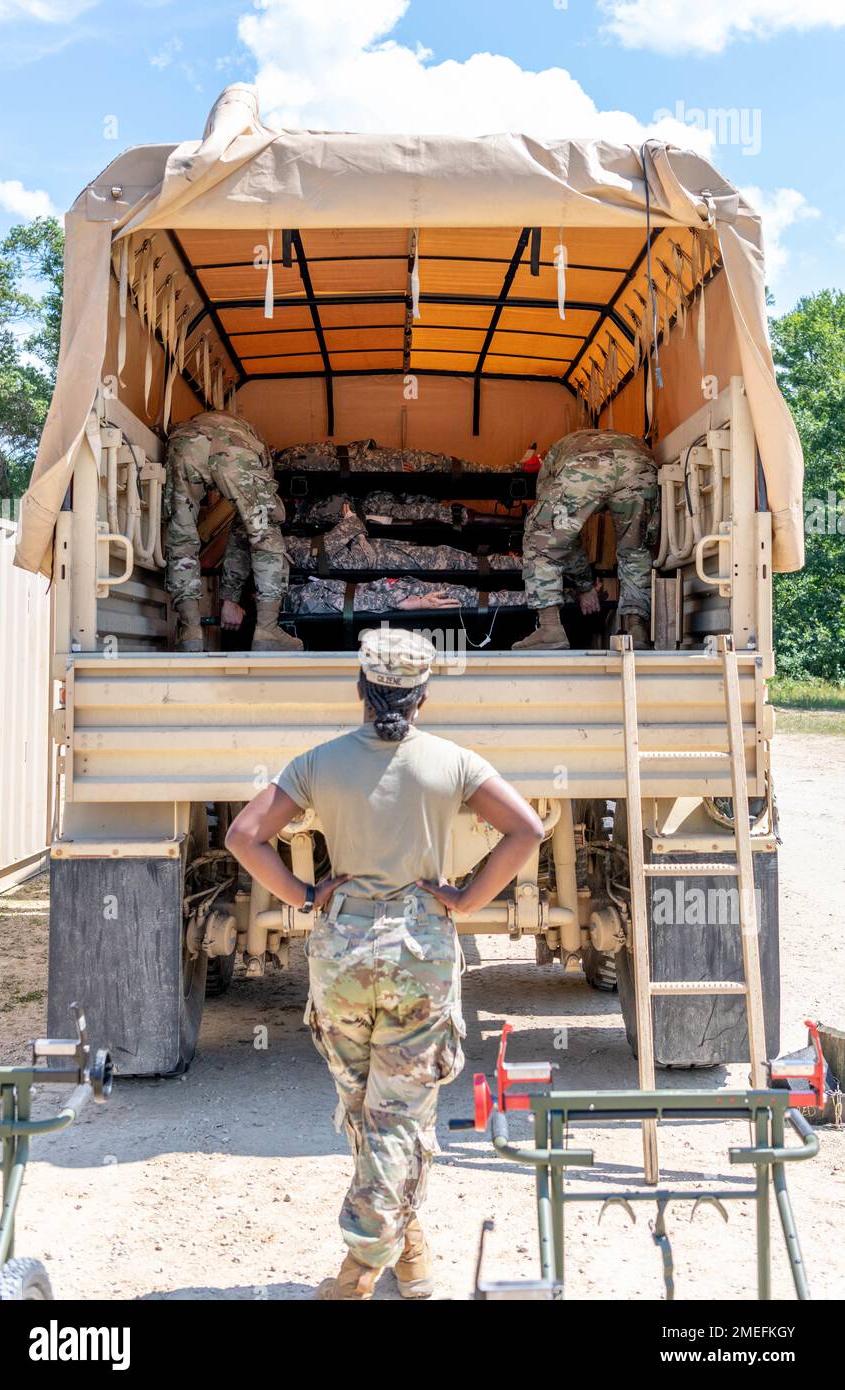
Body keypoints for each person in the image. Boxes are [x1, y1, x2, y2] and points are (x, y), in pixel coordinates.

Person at [225, 627, 544, 1301]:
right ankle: (382, 1256)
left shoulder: (317, 762)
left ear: (361, 689)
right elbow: (527, 830)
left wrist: (306, 894)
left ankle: (381, 1257)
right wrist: (467, 897)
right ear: (424, 692)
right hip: (419, 960)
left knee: (367, 1111)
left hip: (342, 961)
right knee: (396, 1116)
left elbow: (243, 836)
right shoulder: (455, 764)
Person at [164, 409, 302, 652]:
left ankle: (190, 631)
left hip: (184, 444)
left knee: (181, 537)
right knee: (264, 532)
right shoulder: (254, 443)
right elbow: (245, 534)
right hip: (234, 450)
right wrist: (230, 599)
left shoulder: (196, 421)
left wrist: (229, 600)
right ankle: (267, 630)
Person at [513, 429, 660, 651]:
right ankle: (636, 629)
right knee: (635, 549)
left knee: (541, 539)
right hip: (640, 462)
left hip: (588, 464)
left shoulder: (554, 458)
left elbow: (560, 539)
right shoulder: (584, 440)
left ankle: (550, 628)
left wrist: (585, 585)